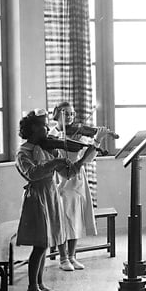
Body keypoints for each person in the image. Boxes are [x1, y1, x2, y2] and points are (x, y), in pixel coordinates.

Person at [15, 111, 72, 291]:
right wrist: (54, 162)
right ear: (32, 129)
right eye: (42, 126)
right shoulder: (23, 152)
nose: (47, 129)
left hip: (50, 193)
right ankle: (32, 288)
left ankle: (40, 284)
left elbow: (65, 173)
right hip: (36, 197)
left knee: (45, 243)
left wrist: (67, 161)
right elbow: (32, 173)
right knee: (39, 244)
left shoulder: (46, 148)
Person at [50, 102, 107, 272]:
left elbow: (87, 159)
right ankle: (62, 257)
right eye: (66, 114)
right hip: (60, 179)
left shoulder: (77, 134)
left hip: (77, 179)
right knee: (61, 220)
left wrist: (97, 140)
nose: (69, 117)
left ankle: (73, 256)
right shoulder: (52, 135)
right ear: (57, 114)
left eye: (72, 114)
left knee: (75, 218)